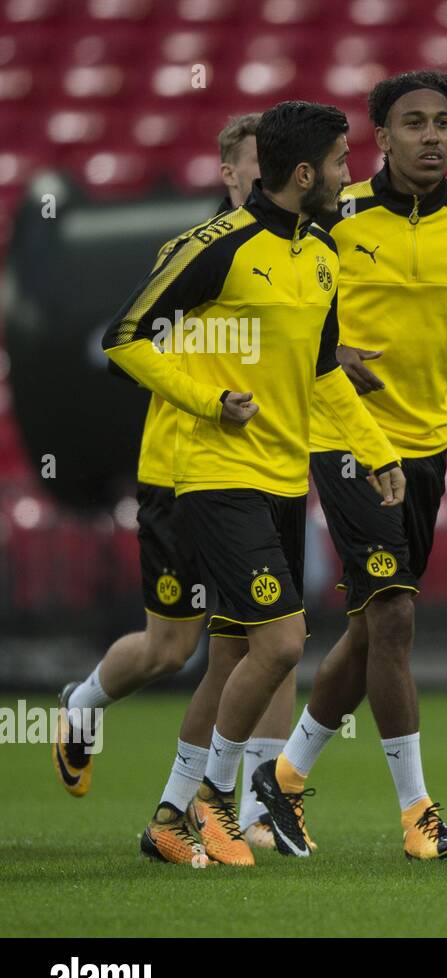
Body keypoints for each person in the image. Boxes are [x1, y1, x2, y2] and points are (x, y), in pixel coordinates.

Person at [101, 100, 404, 866]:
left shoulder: (324, 253)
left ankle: (170, 816)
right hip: (214, 475)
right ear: (305, 172)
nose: (349, 174)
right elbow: (125, 337)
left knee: (238, 656)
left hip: (280, 478)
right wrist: (208, 400)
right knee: (283, 642)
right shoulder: (219, 244)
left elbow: (324, 372)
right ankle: (214, 801)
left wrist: (375, 449)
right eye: (341, 162)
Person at [252, 71, 447, 861]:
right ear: (381, 138)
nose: (431, 135)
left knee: (371, 627)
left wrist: (442, 390)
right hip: (343, 433)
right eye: (413, 123)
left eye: (443, 122)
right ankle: (418, 813)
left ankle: (284, 778)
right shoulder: (335, 217)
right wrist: (335, 359)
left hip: (426, 443)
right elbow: (289, 315)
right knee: (395, 615)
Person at [54, 113, 297, 850]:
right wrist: (209, 401)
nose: (268, 179)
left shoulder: (294, 252)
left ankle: (248, 807)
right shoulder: (195, 251)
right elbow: (129, 344)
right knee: (171, 648)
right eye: (255, 167)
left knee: (270, 637)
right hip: (179, 469)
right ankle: (84, 702)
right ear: (227, 175)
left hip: (257, 472)